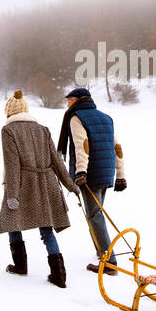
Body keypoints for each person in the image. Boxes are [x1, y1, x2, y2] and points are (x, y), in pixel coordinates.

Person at [0, 90, 79, 288]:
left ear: (9, 111)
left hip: (23, 183)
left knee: (12, 220)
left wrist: (12, 194)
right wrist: (70, 185)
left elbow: (12, 165)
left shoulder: (8, 130)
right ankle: (59, 275)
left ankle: (20, 265)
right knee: (46, 228)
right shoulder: (42, 129)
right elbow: (57, 161)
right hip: (47, 183)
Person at [56, 87, 127, 273]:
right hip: (106, 172)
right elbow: (117, 147)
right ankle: (101, 251)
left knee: (94, 216)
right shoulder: (105, 117)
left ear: (78, 100)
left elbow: (82, 146)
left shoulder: (76, 117)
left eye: (69, 99)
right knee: (95, 213)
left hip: (90, 173)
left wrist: (81, 172)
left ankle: (109, 262)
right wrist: (120, 176)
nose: (67, 103)